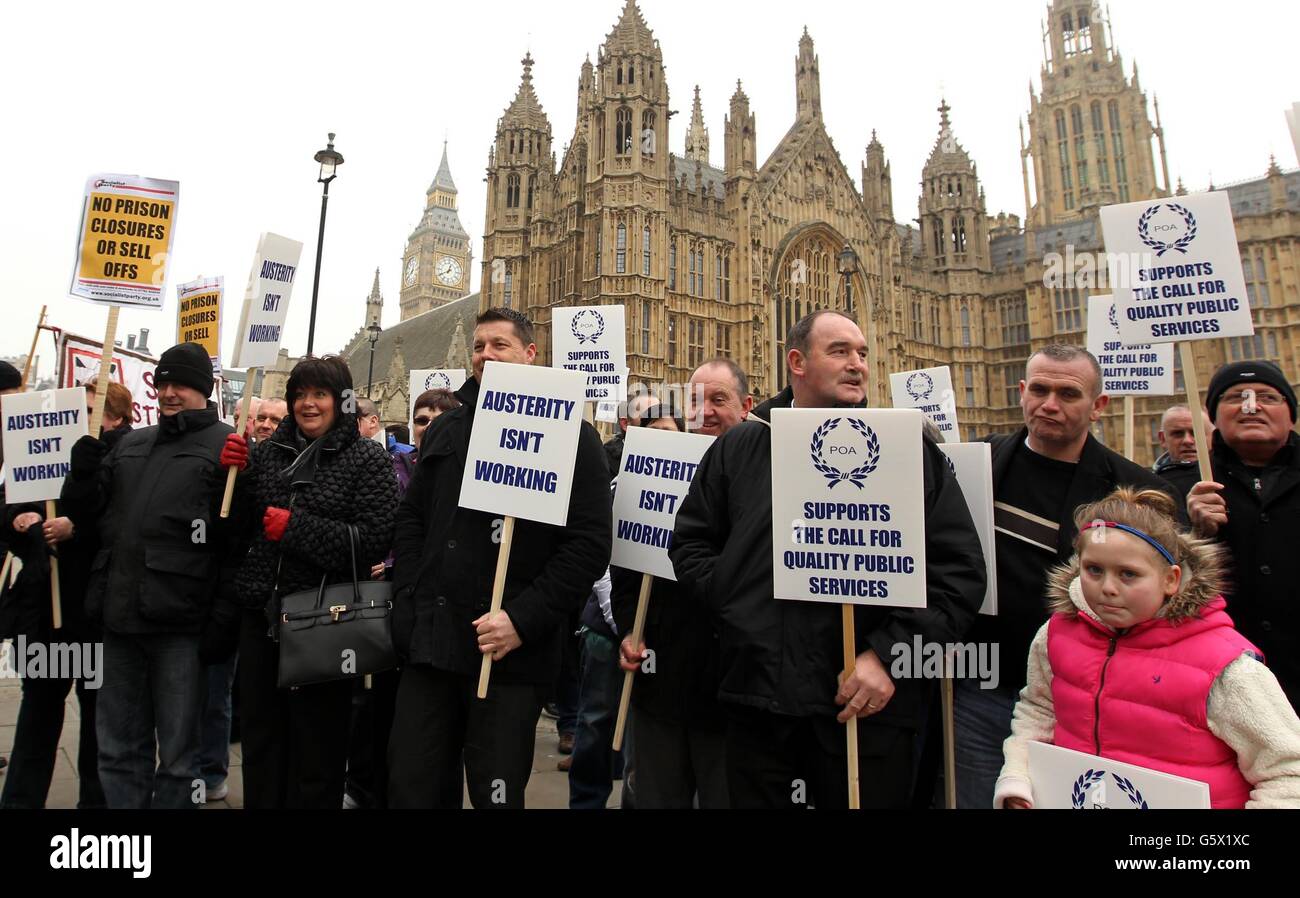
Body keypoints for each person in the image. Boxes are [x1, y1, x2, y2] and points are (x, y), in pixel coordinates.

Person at [670, 311, 987, 809]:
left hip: (865, 708)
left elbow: (959, 572)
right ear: (796, 361)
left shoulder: (907, 449)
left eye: (862, 353)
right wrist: (736, 611)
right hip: (758, 699)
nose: (857, 364)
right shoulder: (742, 445)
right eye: (839, 351)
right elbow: (690, 544)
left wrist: (889, 654)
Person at [387, 308, 612, 809]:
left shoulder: (574, 437)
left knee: (496, 792)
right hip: (431, 646)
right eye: (479, 346)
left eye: (500, 346)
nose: (485, 355)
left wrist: (521, 620)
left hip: (508, 656)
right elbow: (412, 519)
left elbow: (589, 546)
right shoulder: (447, 430)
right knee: (412, 786)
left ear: (531, 354)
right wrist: (408, 599)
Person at [954, 344, 1174, 809]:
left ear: (1098, 406)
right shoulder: (975, 464)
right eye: (1039, 389)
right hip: (981, 690)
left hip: (1081, 701)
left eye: (1067, 393)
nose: (1049, 404)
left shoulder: (1140, 493)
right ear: (1022, 392)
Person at [996, 488, 1300, 809]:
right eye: (1093, 570)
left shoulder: (1228, 668)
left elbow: (1288, 771)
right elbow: (1040, 709)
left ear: (1170, 579)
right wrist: (1019, 777)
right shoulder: (1056, 634)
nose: (1108, 588)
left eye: (1128, 574)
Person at [214, 357, 397, 809]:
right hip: (264, 620)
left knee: (318, 750)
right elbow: (234, 532)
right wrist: (228, 479)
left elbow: (373, 541)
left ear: (341, 401)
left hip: (324, 622)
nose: (307, 404)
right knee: (262, 743)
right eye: (300, 395)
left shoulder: (367, 458)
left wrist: (295, 529)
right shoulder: (268, 454)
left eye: (319, 395)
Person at [59, 343, 235, 809]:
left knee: (177, 757)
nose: (170, 393)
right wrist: (80, 477)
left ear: (204, 389)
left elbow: (234, 538)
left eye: (181, 384)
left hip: (181, 623)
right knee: (117, 748)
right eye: (163, 383)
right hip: (119, 616)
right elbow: (89, 516)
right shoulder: (133, 443)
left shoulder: (225, 445)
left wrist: (222, 614)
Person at [613, 359, 751, 809]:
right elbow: (628, 571)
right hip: (663, 687)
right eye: (695, 401)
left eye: (719, 400)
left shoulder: (768, 474)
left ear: (746, 407)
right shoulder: (657, 467)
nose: (705, 412)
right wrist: (630, 631)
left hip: (737, 695)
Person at [0, 381, 131, 810]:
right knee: (38, 714)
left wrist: (76, 528)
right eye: (79, 409)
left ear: (115, 418)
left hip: (93, 617)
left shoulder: (124, 460)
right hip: (47, 613)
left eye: (93, 411)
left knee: (97, 723)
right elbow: (13, 506)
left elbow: (120, 525)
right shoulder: (47, 448)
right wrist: (24, 521)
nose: (83, 420)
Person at [1164, 360, 1300, 710]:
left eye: (1268, 397)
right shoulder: (1174, 487)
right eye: (1235, 397)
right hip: (1217, 685)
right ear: (1212, 416)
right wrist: (1193, 534)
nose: (1250, 406)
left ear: (1291, 413)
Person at [568, 400, 681, 808]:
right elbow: (600, 559)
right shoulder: (617, 488)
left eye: (668, 434)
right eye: (652, 434)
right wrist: (623, 622)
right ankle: (586, 801)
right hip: (608, 628)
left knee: (643, 735)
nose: (660, 442)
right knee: (597, 723)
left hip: (654, 638)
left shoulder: (692, 492)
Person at [1153, 404, 1214, 475]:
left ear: (1214, 436)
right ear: (1163, 439)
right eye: (1178, 433)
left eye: (1196, 433)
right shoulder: (1151, 484)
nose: (1187, 441)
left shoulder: (1228, 479)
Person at [410, 388, 460, 455]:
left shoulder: (468, 464)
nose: (428, 427)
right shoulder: (397, 463)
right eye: (422, 420)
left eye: (438, 422)